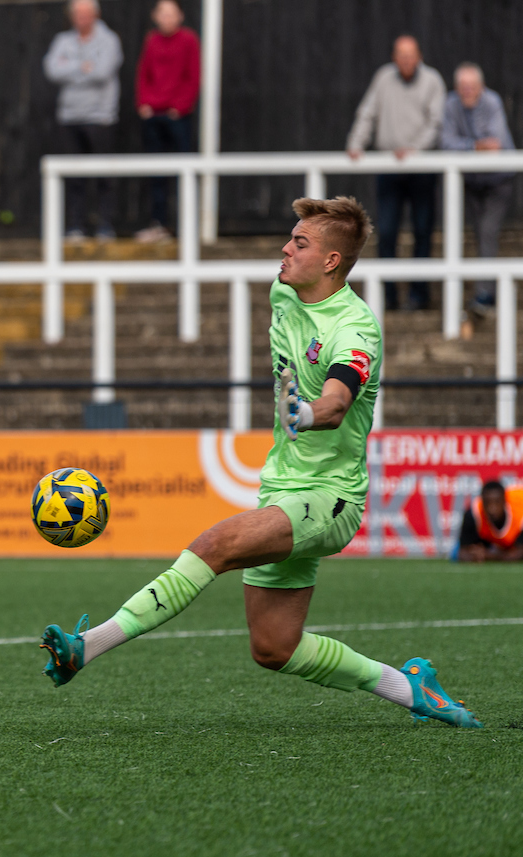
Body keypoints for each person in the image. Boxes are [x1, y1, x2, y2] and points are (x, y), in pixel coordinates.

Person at [40, 196, 483, 729]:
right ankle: (409, 687)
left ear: (330, 262)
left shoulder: (356, 328)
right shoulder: (284, 291)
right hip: (283, 487)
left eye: (300, 243)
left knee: (215, 546)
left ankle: (86, 647)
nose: (284, 248)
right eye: (289, 237)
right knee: (274, 646)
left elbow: (339, 402)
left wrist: (307, 412)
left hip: (330, 497)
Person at [346, 35, 446, 312]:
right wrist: (356, 144)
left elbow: (436, 124)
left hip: (421, 169)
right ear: (393, 57)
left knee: (423, 232)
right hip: (389, 169)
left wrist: (414, 150)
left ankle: (419, 295)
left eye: (410, 55)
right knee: (386, 232)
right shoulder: (383, 78)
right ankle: (388, 296)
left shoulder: (433, 81)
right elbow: (368, 112)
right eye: (401, 55)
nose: (406, 60)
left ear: (419, 56)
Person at [43, 0, 124, 241]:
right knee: (74, 177)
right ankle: (76, 227)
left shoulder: (109, 40)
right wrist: (83, 67)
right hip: (69, 117)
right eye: (78, 14)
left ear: (96, 15)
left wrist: (71, 69)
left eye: (86, 14)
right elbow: (52, 70)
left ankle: (105, 227)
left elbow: (101, 72)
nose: (82, 19)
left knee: (103, 176)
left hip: (100, 117)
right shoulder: (62, 41)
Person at [441, 62, 516, 318]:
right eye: (463, 87)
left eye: (472, 87)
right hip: (472, 182)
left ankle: (485, 294)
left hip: (498, 181)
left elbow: (497, 143)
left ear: (481, 87)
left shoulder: (492, 102)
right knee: (478, 233)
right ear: (457, 88)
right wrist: (474, 146)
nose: (467, 92)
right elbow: (446, 142)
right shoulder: (450, 104)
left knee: (487, 231)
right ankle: (485, 293)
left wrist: (470, 146)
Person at [134, 0, 200, 243]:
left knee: (184, 171)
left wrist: (179, 107)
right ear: (155, 16)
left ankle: (186, 226)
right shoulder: (151, 40)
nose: (167, 18)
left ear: (180, 15)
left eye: (171, 13)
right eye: (162, 13)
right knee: (156, 174)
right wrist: (144, 104)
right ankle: (159, 225)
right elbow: (144, 73)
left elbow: (192, 76)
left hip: (177, 116)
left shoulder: (189, 40)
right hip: (153, 114)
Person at [456, 480, 523, 563]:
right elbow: (462, 552)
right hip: (494, 544)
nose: (492, 509)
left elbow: (519, 554)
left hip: (513, 542)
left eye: (497, 502)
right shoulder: (474, 512)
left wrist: (489, 555)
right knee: (453, 554)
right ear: (482, 502)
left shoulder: (520, 513)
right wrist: (474, 555)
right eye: (488, 503)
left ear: (505, 501)